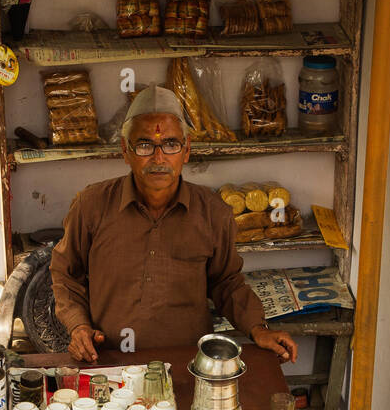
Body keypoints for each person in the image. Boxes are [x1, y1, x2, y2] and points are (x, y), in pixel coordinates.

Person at [50, 85, 297, 365]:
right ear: (125, 150)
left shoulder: (213, 212)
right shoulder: (92, 204)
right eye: (144, 145)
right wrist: (78, 326)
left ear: (187, 150)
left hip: (188, 364)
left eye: (170, 144)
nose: (158, 158)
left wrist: (258, 330)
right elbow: (65, 272)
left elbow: (227, 282)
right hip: (108, 361)